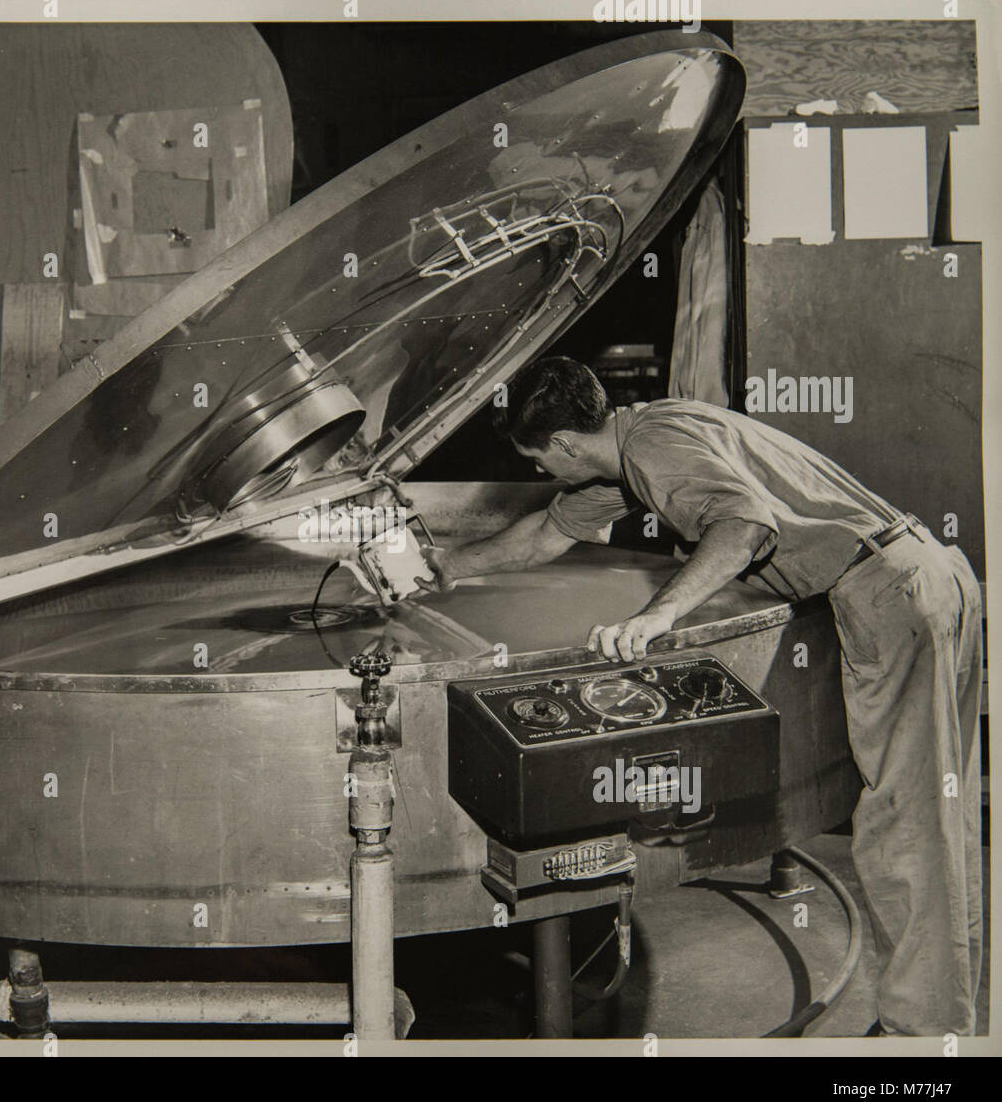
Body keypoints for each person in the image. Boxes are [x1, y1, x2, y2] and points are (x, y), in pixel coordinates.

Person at [421, 355, 983, 1037]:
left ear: (566, 444)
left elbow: (743, 526)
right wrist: (441, 567)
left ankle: (922, 1045)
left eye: (542, 464)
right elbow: (546, 535)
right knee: (940, 809)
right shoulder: (639, 441)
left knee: (905, 823)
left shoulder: (657, 447)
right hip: (927, 574)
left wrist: (658, 615)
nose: (545, 478)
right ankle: (949, 1008)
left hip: (888, 596)